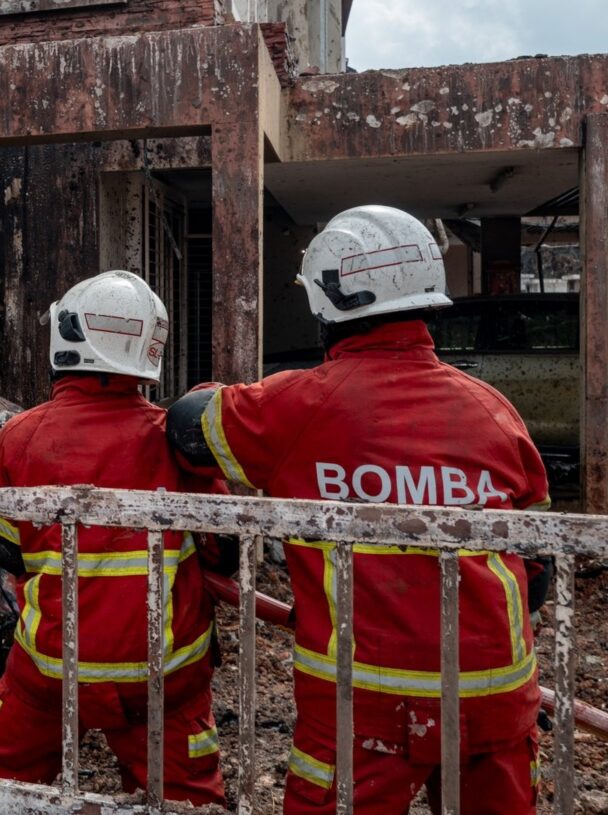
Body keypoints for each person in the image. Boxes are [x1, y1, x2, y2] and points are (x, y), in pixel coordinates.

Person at [166, 204, 552, 814]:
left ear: (328, 300)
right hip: (494, 695)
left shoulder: (295, 406)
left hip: (356, 704)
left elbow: (186, 429)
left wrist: (212, 392)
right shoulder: (493, 410)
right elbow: (537, 572)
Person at [0, 271, 230, 811]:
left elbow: (11, 553)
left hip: (52, 671)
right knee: (185, 802)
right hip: (166, 678)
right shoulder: (178, 442)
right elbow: (224, 552)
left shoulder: (18, 439)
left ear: (66, 336)